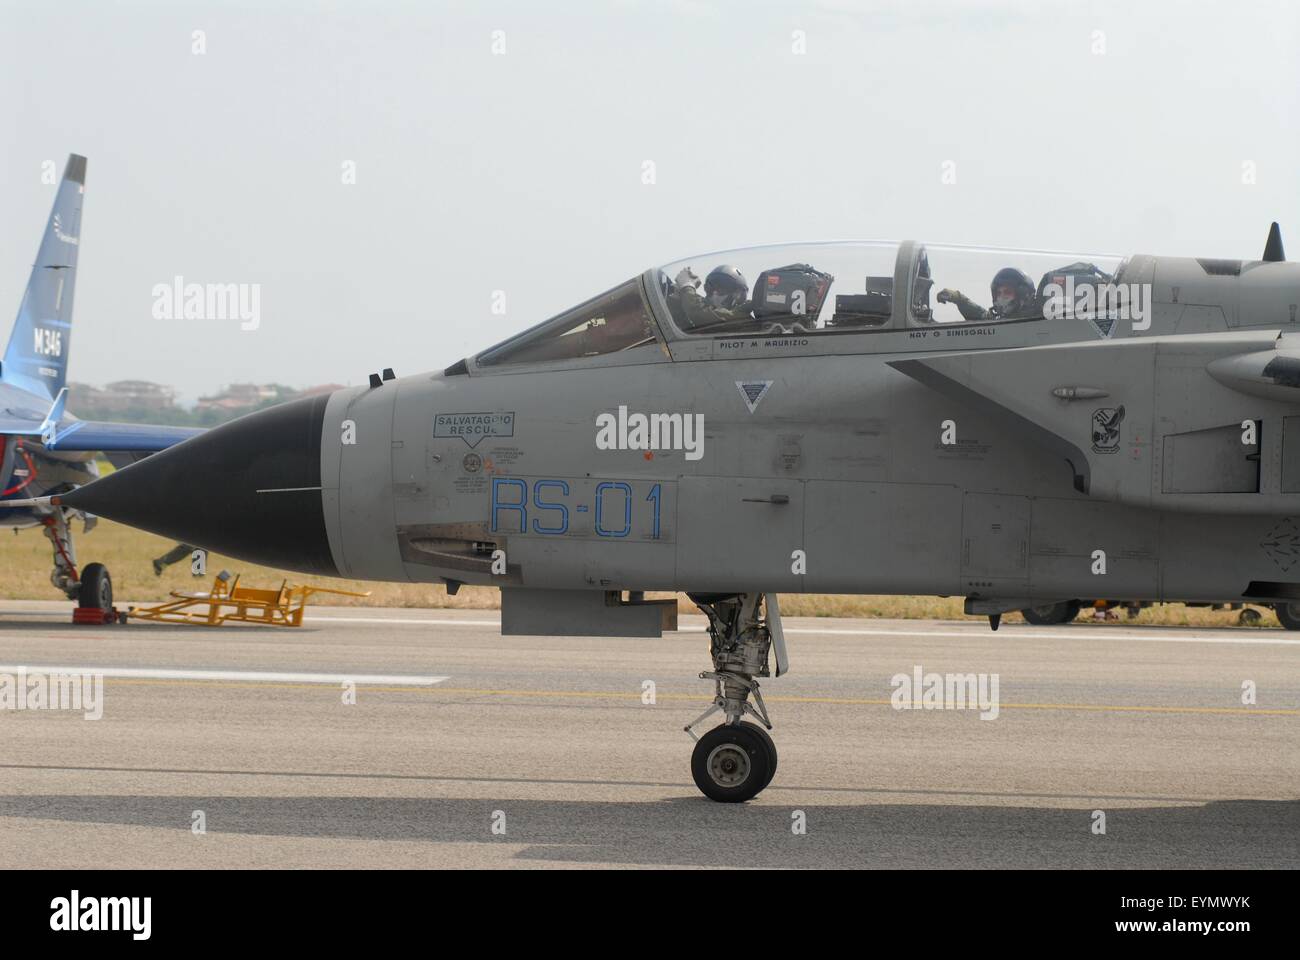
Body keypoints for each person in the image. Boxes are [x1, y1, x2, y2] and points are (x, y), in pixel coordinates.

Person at [936, 267, 1039, 322]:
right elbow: (979, 315)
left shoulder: (1036, 321)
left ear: (1023, 296)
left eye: (1007, 292)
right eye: (998, 293)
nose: (1001, 297)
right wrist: (959, 299)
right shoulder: (1002, 321)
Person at [671, 265, 753, 331]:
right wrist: (677, 299)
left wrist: (687, 287)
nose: (714, 293)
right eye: (710, 288)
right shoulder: (710, 321)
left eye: (722, 289)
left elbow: (698, 312)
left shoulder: (741, 319)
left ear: (737, 295)